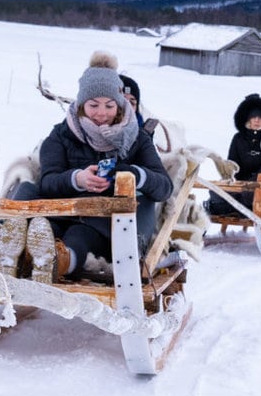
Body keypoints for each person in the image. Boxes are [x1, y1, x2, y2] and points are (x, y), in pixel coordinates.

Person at [16, 53, 173, 277]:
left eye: (109, 105)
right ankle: (17, 247)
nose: (101, 113)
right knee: (44, 224)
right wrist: (77, 179)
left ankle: (58, 262)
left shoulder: (137, 139)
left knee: (80, 235)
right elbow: (48, 182)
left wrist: (135, 175)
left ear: (119, 105)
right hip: (62, 213)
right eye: (93, 105)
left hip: (106, 225)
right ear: (81, 104)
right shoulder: (61, 135)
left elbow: (164, 187)